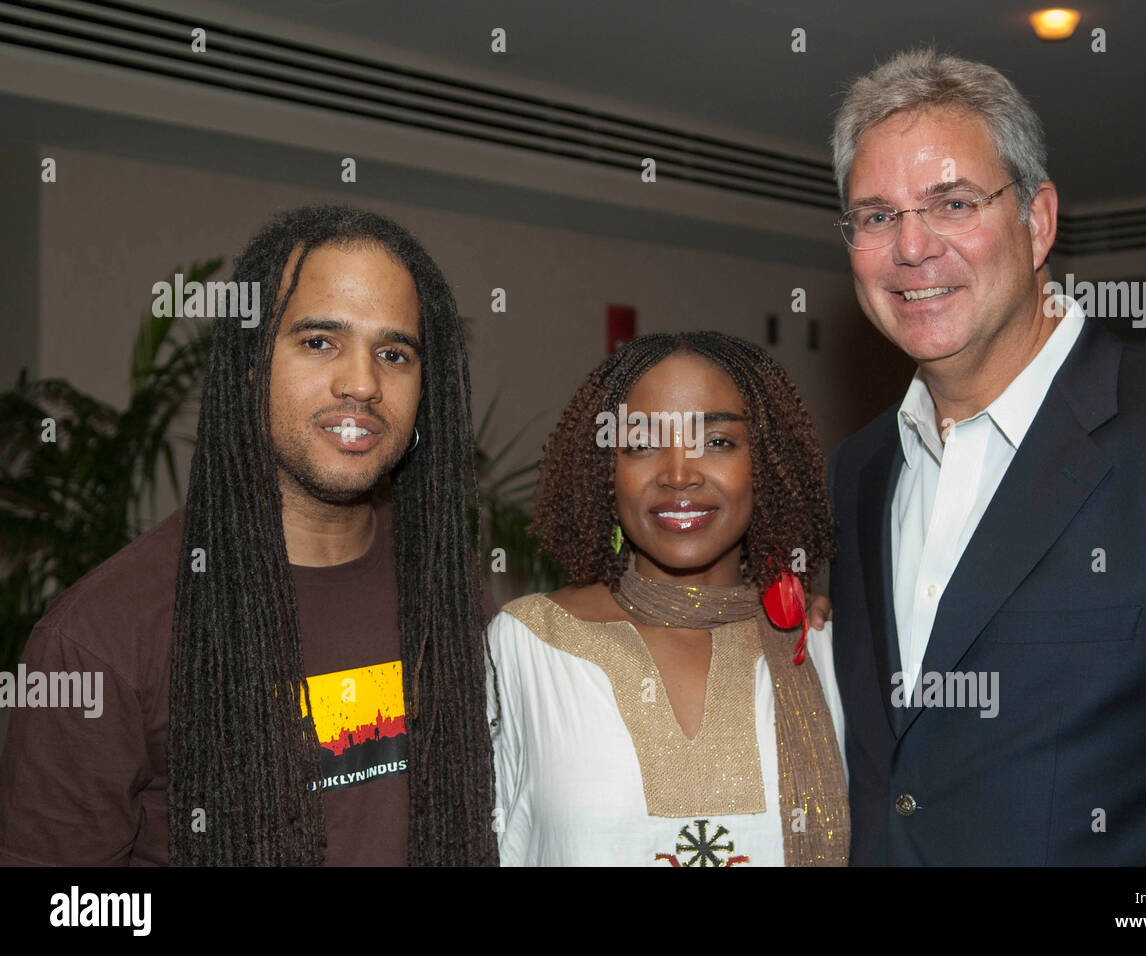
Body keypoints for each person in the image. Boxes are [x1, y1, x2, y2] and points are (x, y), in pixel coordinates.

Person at [826, 48, 1146, 865]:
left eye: (952, 202)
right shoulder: (858, 472)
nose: (911, 247)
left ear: (1038, 221)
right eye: (876, 216)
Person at [0, 205, 496, 866]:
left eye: (394, 352)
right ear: (249, 362)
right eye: (320, 341)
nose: (362, 383)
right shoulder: (99, 638)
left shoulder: (453, 587)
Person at [488, 331, 849, 866]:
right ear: (606, 472)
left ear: (767, 466)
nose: (679, 474)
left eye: (718, 442)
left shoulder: (822, 649)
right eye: (642, 444)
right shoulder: (528, 647)